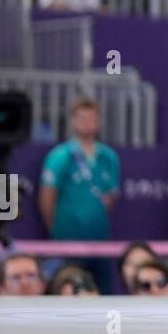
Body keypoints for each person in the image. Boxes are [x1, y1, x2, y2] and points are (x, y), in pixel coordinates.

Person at [38, 98, 120, 293]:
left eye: (92, 118)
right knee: (69, 292)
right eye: (82, 118)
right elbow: (47, 198)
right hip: (67, 242)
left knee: (105, 295)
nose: (87, 123)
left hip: (100, 242)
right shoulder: (59, 156)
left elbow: (109, 198)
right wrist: (59, 229)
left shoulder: (109, 157)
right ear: (73, 121)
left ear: (99, 122)